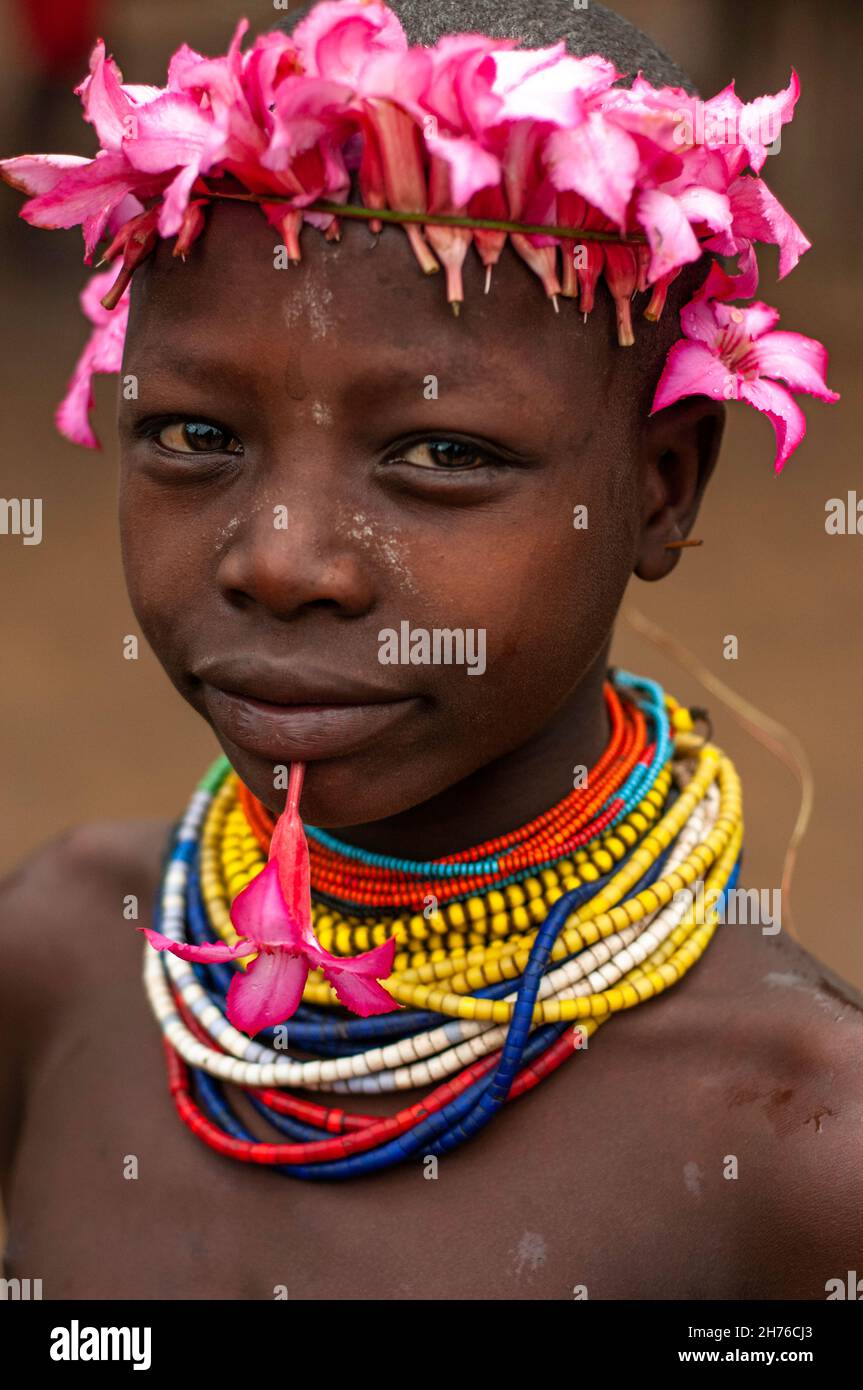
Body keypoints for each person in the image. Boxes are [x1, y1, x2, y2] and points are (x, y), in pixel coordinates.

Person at [0, 0, 858, 1301]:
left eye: (443, 454)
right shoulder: (57, 966)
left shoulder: (798, 1152)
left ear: (663, 488)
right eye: (192, 435)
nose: (280, 560)